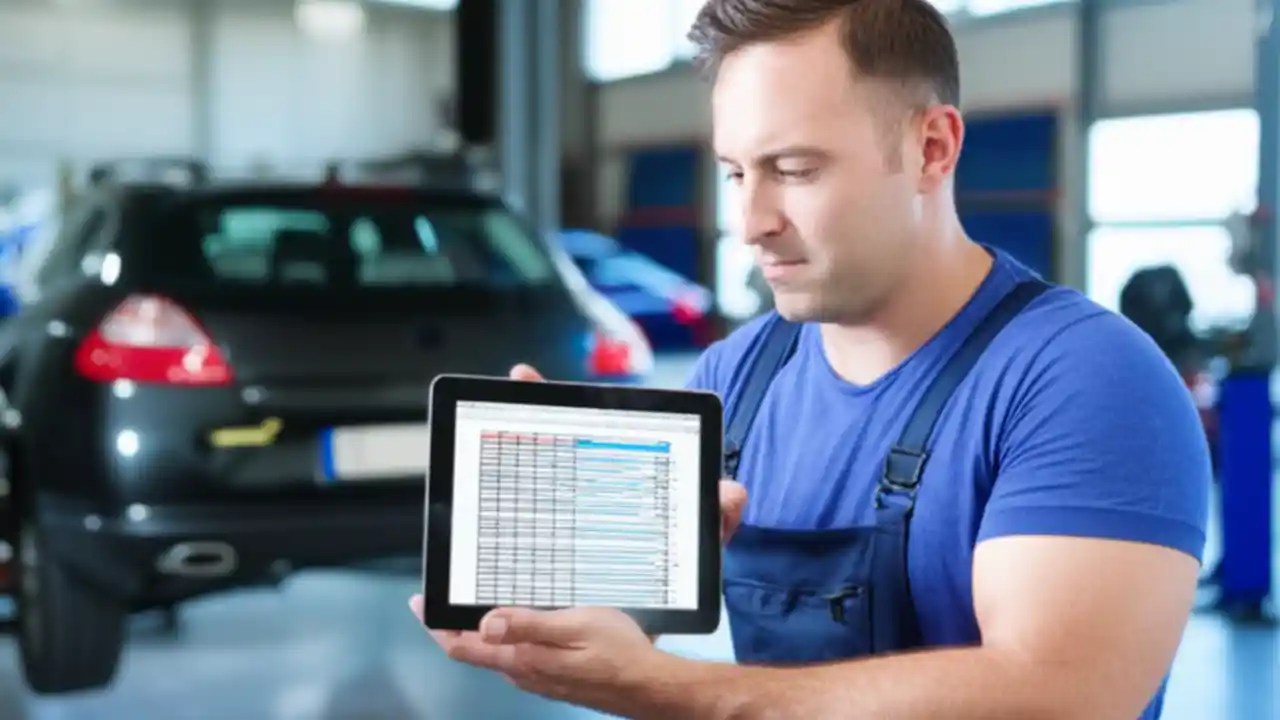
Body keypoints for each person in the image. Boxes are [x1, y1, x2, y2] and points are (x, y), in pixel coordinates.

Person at [409, 1, 1211, 717]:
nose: (752, 221)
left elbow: (1057, 697)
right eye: (735, 173)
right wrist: (566, 561)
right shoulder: (736, 381)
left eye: (794, 170)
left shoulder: (1086, 381)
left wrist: (668, 688)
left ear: (932, 147)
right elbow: (625, 626)